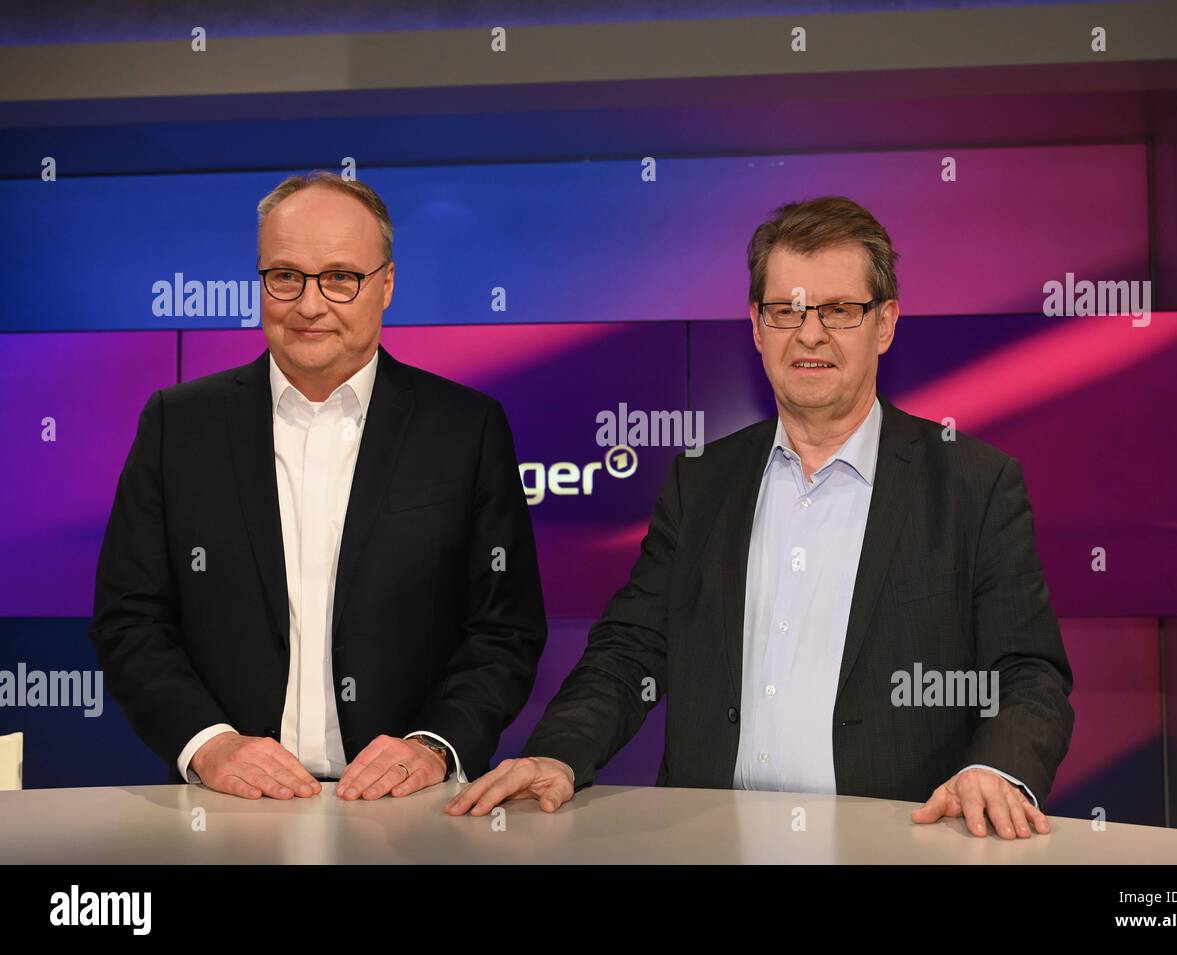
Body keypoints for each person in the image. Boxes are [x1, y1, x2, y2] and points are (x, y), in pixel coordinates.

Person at [446, 196, 1073, 839]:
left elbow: (1027, 672)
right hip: (708, 839)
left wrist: (998, 769)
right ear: (756, 325)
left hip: (901, 843)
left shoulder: (974, 483)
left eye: (839, 310)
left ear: (884, 323)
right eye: (786, 310)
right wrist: (558, 753)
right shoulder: (702, 481)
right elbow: (632, 649)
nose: (809, 333)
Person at [90, 171, 546, 801]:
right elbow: (129, 620)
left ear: (386, 284)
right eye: (285, 276)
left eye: (340, 277)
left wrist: (435, 746)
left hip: (407, 815)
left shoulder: (466, 429)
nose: (309, 304)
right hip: (224, 808)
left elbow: (505, 628)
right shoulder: (177, 425)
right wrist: (210, 744)